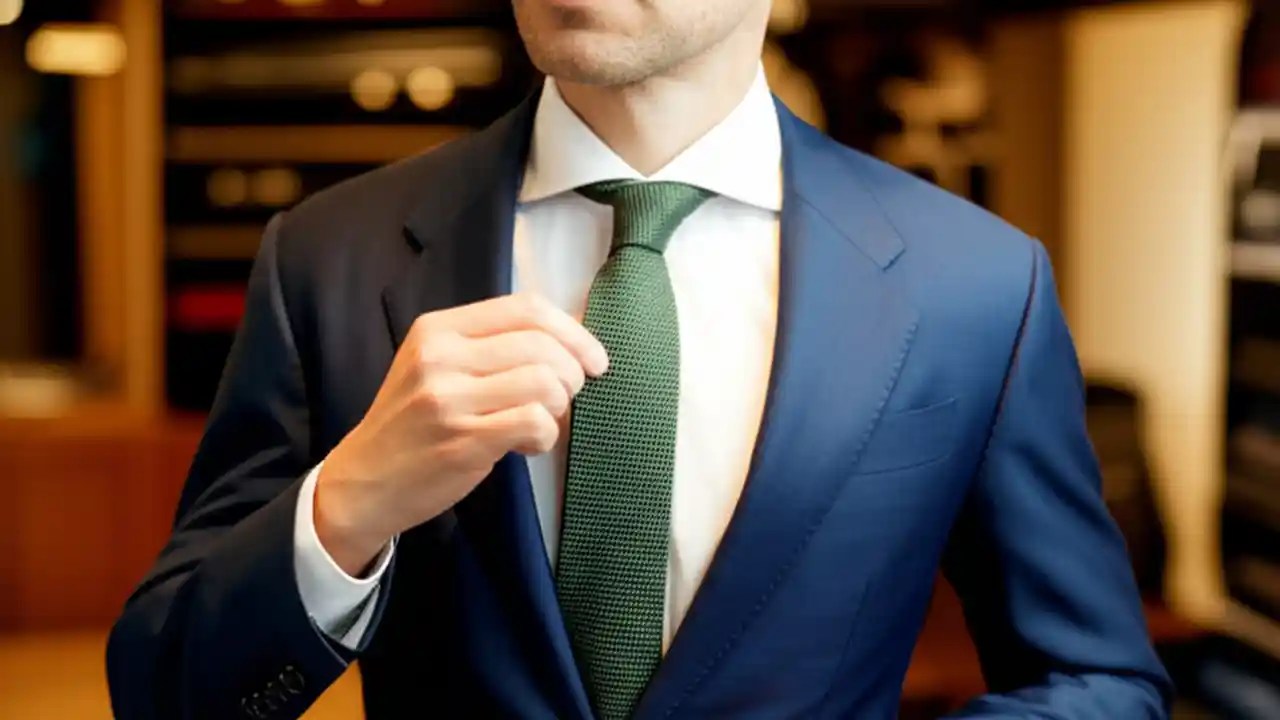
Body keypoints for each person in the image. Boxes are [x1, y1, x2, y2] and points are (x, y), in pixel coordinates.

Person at [106, 1, 1173, 718]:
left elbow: (1096, 680)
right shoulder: (330, 256)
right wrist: (350, 504)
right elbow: (165, 690)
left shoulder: (974, 285)